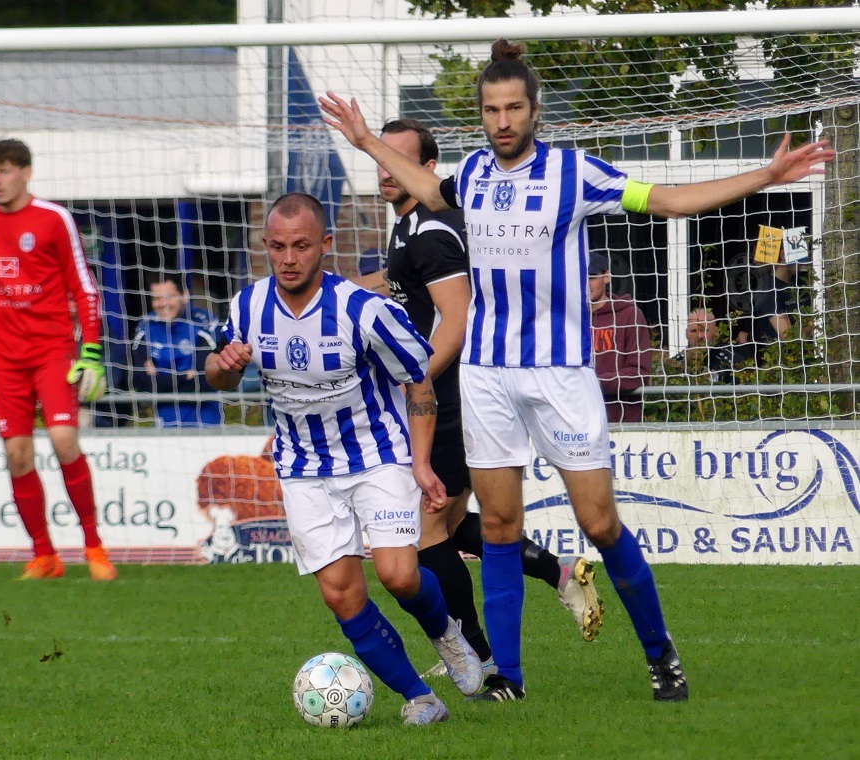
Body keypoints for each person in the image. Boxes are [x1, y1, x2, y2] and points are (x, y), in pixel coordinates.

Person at [320, 38, 832, 702]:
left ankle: (659, 651)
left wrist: (763, 176)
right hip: (484, 372)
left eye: (512, 108)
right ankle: (509, 675)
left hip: (560, 374)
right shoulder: (472, 175)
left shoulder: (573, 173)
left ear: (534, 111)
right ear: (480, 116)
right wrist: (363, 139)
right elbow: (425, 185)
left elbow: (670, 201)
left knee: (598, 523)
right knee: (499, 526)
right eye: (490, 110)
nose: (501, 121)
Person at [206, 192, 483, 726]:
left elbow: (418, 378)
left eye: (302, 246)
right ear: (267, 246)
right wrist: (224, 363)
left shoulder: (364, 309)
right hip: (304, 468)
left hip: (378, 456)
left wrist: (422, 464)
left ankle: (445, 632)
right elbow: (218, 374)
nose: (289, 258)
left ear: (325, 246)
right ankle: (421, 698)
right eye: (279, 247)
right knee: (341, 595)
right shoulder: (246, 308)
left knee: (400, 576)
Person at [359, 119, 603, 681]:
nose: (386, 169)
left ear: (428, 170)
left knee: (427, 533)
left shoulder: (433, 229)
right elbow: (411, 286)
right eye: (381, 158)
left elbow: (459, 313)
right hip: (441, 394)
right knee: (460, 520)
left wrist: (419, 375)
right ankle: (561, 576)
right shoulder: (409, 227)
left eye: (400, 159)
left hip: (447, 397)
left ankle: (479, 655)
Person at [0, 138, 117, 582]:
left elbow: (85, 288)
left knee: (62, 440)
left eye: (3, 170)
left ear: (26, 172)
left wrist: (91, 353)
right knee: (17, 455)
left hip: (52, 351)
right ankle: (44, 556)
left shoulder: (54, 219)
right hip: (1, 357)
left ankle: (94, 547)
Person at [131, 272, 221, 427]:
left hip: (206, 421)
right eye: (157, 298)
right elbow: (140, 381)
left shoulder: (205, 323)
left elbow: (207, 380)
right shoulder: (145, 327)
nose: (163, 303)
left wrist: (160, 376)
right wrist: (185, 377)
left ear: (184, 296)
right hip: (164, 424)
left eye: (169, 297)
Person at [588, 251, 652, 423]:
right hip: (577, 423)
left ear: (606, 276)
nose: (585, 284)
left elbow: (639, 373)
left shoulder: (629, 315)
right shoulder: (568, 319)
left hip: (621, 423)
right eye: (579, 277)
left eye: (591, 277)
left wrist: (591, 383)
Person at [685, 307, 749, 384]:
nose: (699, 336)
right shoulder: (678, 364)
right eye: (693, 331)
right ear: (686, 334)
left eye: (704, 330)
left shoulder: (733, 363)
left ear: (716, 332)